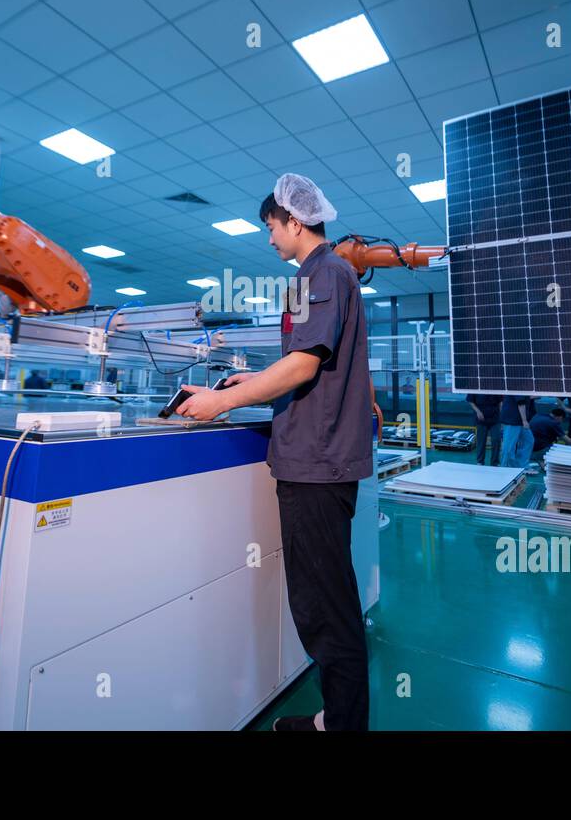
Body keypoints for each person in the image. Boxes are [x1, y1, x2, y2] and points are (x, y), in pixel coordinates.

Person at [176, 173, 372, 732]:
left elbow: (306, 364)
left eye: (271, 227)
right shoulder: (318, 275)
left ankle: (343, 726)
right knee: (320, 598)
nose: (268, 240)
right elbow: (305, 362)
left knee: (325, 606)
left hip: (317, 461)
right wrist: (244, 383)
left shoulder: (325, 272)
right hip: (315, 456)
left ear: (295, 220)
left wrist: (221, 404)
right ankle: (336, 718)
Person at [499, 394, 535, 468]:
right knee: (509, 447)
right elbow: (521, 403)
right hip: (513, 421)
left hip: (519, 421)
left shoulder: (525, 387)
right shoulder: (518, 385)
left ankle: (522, 465)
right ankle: (506, 467)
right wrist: (524, 421)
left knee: (529, 441)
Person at [467, 393, 503, 465]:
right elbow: (470, 400)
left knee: (496, 440)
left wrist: (500, 417)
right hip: (481, 419)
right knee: (481, 441)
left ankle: (495, 463)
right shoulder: (475, 385)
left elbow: (501, 402)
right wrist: (478, 411)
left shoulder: (496, 385)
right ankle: (480, 461)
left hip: (495, 419)